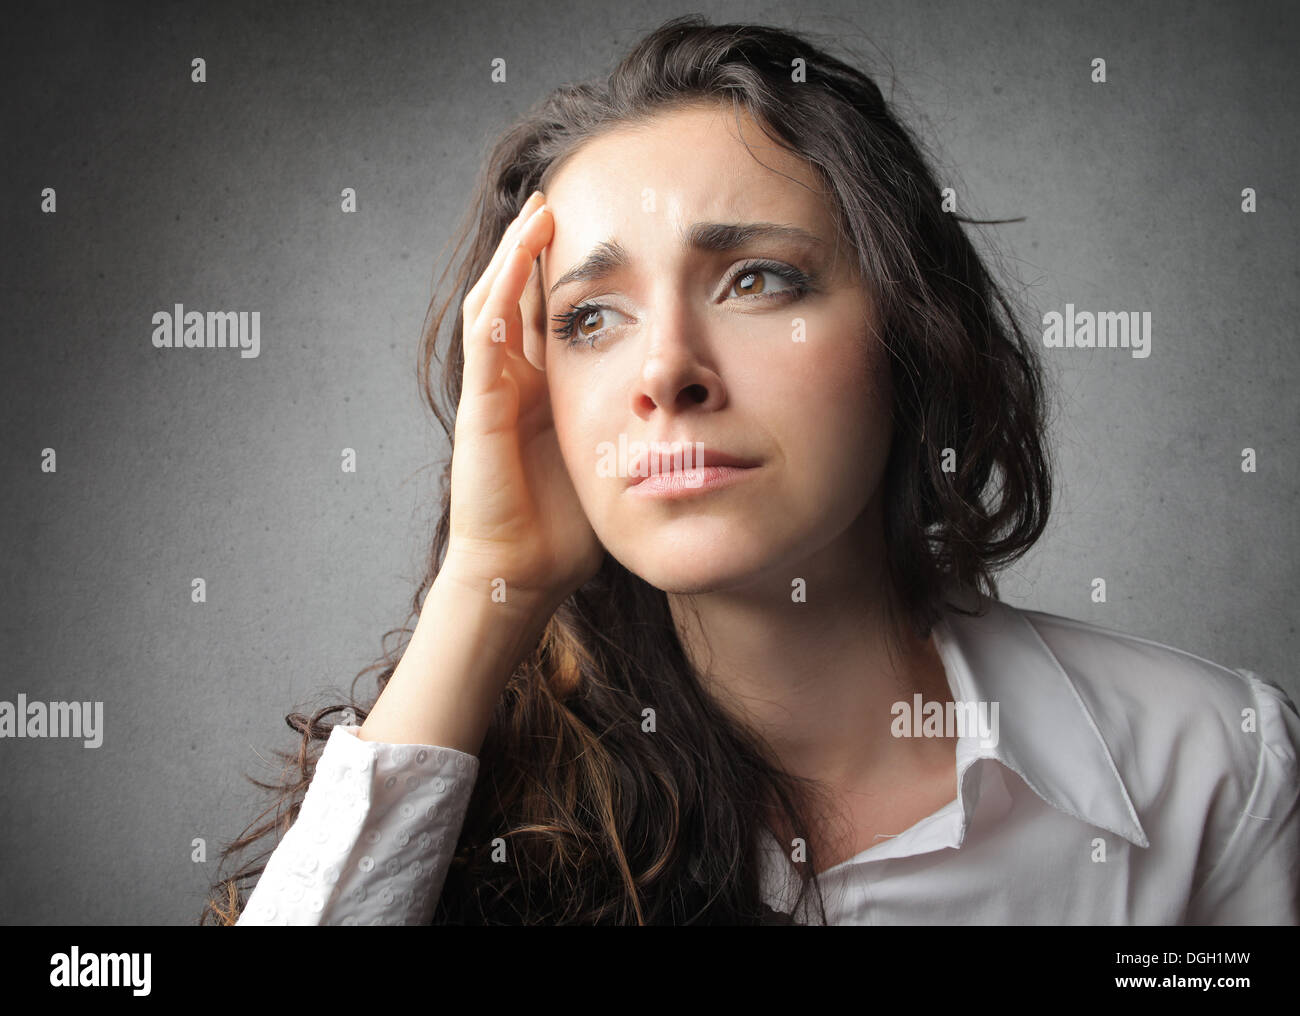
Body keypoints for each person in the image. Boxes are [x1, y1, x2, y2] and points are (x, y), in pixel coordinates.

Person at [204, 15, 1299, 926]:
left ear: (911, 332)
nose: (665, 369)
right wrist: (487, 585)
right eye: (591, 315)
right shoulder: (482, 777)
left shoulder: (1215, 765)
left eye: (759, 280)